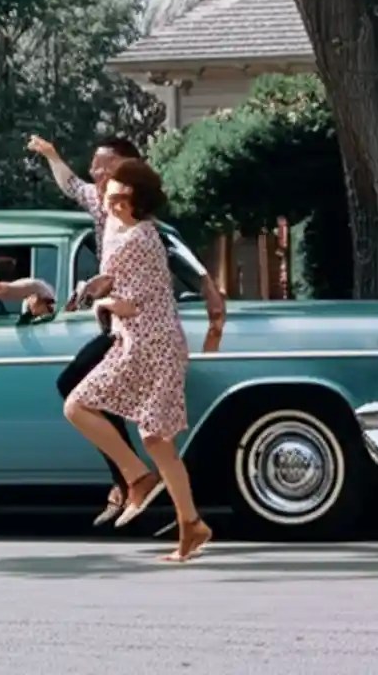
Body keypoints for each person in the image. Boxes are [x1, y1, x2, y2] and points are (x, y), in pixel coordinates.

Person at [27, 134, 226, 527]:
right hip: (124, 323)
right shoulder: (100, 201)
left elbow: (174, 249)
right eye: (96, 169)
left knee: (83, 392)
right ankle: (155, 493)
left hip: (141, 327)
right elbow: (70, 184)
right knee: (96, 398)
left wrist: (207, 287)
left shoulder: (138, 219)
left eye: (107, 168)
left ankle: (133, 481)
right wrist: (51, 154)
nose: (98, 175)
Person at [63, 158, 211, 562]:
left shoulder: (138, 240)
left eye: (114, 191)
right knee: (153, 437)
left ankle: (142, 482)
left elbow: (129, 304)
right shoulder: (123, 229)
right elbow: (114, 280)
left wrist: (99, 300)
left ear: (129, 201)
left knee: (83, 408)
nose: (107, 194)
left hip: (152, 345)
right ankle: (189, 523)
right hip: (144, 343)